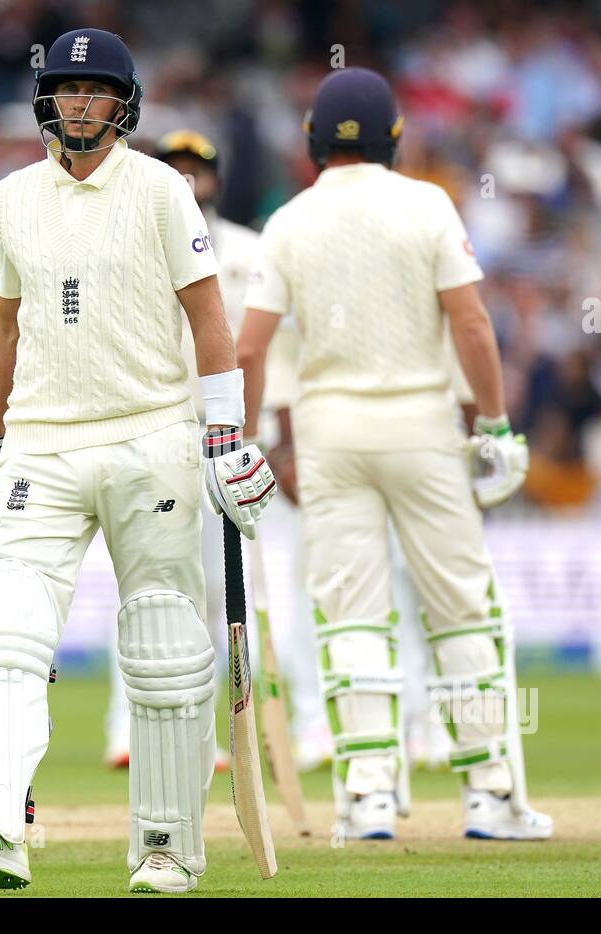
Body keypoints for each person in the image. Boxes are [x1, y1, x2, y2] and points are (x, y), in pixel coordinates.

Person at [0, 28, 275, 894]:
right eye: (66, 89)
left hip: (149, 434)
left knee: (164, 645)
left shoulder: (163, 189)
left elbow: (209, 319)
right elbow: (6, 326)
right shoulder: (13, 196)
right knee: (4, 633)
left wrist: (225, 437)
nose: (80, 103)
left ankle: (165, 848)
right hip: (41, 442)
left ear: (125, 104)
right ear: (44, 100)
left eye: (96, 90)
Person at [236, 67, 551, 841]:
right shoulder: (428, 204)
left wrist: (239, 446)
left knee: (350, 617)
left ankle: (367, 798)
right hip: (421, 427)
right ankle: (489, 794)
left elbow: (247, 350)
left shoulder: (288, 221)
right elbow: (472, 326)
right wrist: (498, 426)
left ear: (313, 142)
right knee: (460, 610)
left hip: (329, 434)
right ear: (395, 138)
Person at [100, 128, 330, 773]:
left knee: (242, 592)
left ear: (215, 180)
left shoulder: (254, 251)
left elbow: (272, 350)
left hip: (233, 436)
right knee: (150, 588)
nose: (186, 181)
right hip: (156, 433)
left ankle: (286, 726)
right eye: (173, 170)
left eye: (196, 171)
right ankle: (133, 728)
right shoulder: (130, 243)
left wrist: (271, 438)